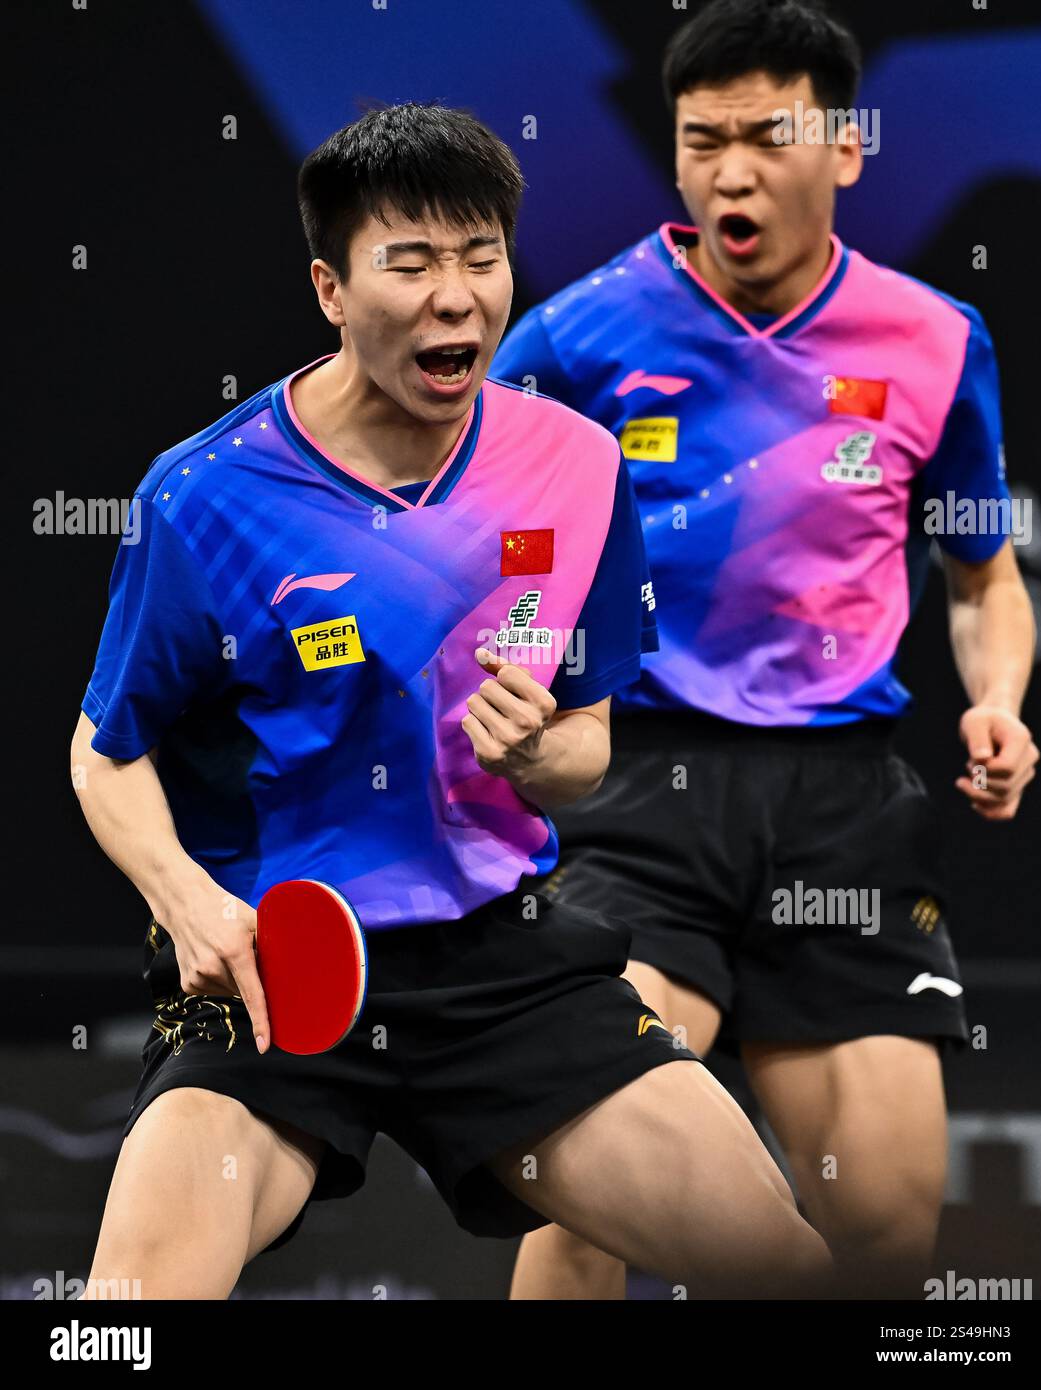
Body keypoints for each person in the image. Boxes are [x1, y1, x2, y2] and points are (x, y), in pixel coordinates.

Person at [71, 102, 829, 1300]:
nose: (457, 297)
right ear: (330, 288)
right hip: (282, 965)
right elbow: (103, 750)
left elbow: (586, 748)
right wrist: (187, 903)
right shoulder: (204, 496)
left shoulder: (577, 464)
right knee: (122, 1319)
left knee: (788, 1270)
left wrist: (539, 755)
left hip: (504, 966)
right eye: (410, 263)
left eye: (481, 260)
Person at [493, 0, 1039, 1300]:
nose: (731, 169)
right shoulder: (574, 338)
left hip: (843, 806)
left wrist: (999, 697)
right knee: (589, 1188)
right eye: (702, 140)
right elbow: (479, 536)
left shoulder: (938, 343)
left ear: (845, 149)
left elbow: (983, 576)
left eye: (767, 135)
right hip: (634, 786)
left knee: (889, 1226)